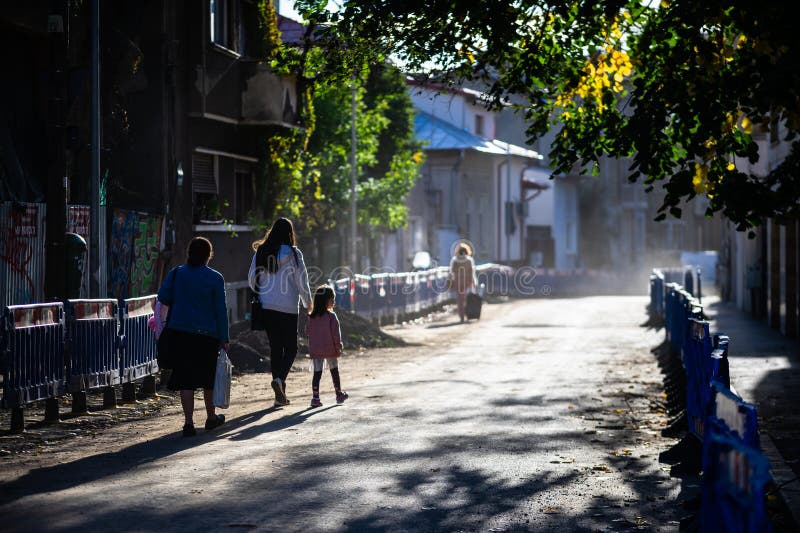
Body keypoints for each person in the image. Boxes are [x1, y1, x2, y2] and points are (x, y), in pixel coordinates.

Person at [157, 237, 229, 437]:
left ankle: (188, 423)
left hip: (180, 334)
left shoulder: (177, 273)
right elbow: (221, 311)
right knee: (208, 378)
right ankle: (211, 418)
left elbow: (163, 298)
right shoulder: (215, 278)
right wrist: (224, 338)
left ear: (189, 253)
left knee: (186, 379)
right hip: (208, 336)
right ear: (209, 255)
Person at [248, 218, 311, 408]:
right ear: (289, 233)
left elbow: (251, 279)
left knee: (276, 348)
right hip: (289, 308)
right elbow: (302, 281)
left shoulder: (261, 251)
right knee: (291, 349)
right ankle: (279, 381)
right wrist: (308, 303)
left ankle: (278, 393)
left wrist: (264, 291)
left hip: (267, 307)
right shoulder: (293, 253)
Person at [304, 285, 348, 407]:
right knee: (334, 370)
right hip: (330, 349)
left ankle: (315, 398)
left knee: (317, 373)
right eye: (332, 299)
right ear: (325, 300)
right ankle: (339, 394)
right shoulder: (331, 316)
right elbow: (336, 334)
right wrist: (338, 346)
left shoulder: (311, 317)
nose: (334, 302)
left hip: (316, 350)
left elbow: (307, 332)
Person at [449, 243, 478, 322]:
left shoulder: (454, 260)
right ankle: (467, 313)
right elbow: (472, 272)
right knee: (467, 299)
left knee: (460, 299)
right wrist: (474, 283)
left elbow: (451, 272)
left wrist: (450, 283)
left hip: (457, 282)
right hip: (467, 281)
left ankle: (461, 316)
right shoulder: (469, 260)